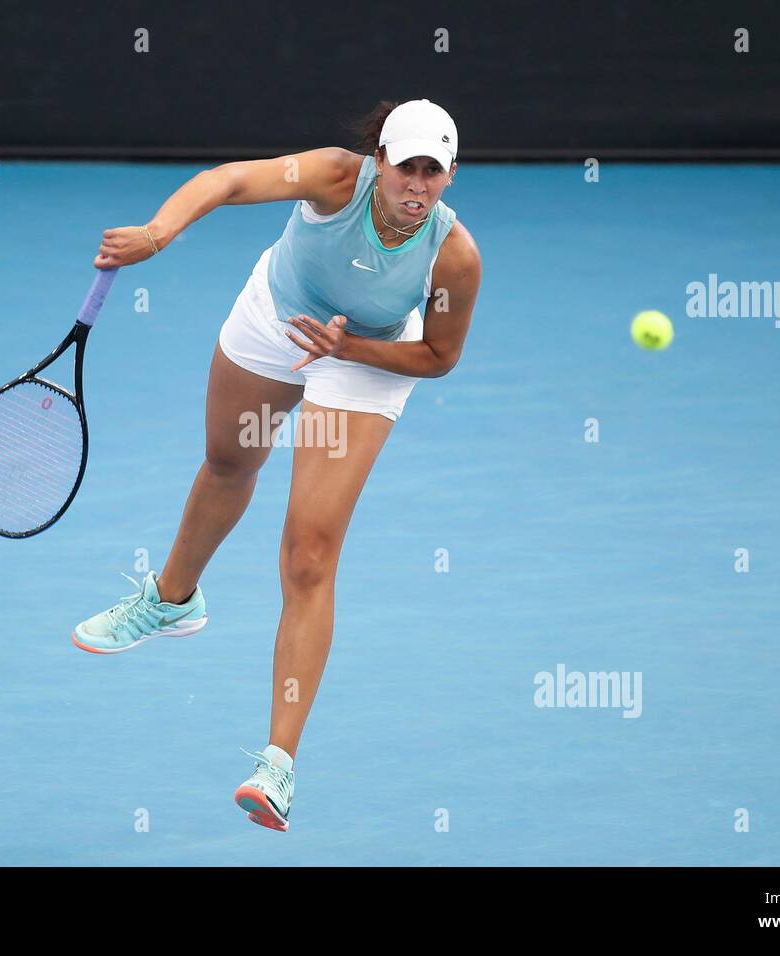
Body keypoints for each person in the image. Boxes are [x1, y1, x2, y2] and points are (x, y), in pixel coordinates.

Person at [72, 99, 482, 831]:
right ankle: (172, 598)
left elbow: (437, 357)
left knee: (309, 556)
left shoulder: (454, 258)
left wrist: (348, 349)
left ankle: (277, 767)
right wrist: (160, 233)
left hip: (364, 360)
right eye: (405, 166)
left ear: (450, 176)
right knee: (230, 461)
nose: (416, 184)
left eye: (433, 170)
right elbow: (228, 180)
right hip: (277, 315)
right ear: (377, 162)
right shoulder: (330, 177)